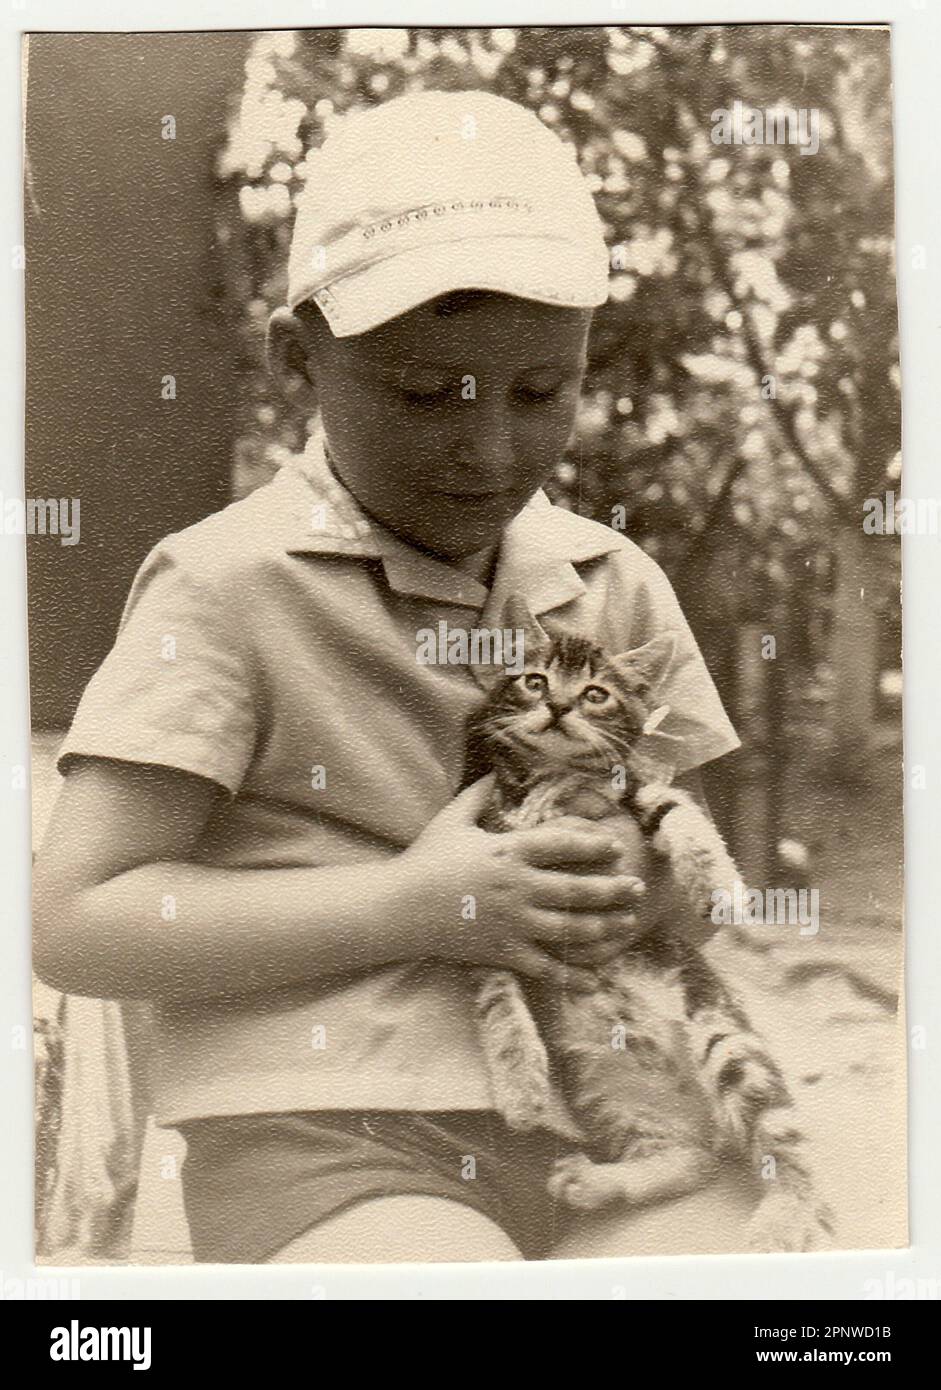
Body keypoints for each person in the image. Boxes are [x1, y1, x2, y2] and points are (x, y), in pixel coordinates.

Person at [33, 90, 751, 1263]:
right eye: (424, 393)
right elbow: (73, 921)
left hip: (614, 1106)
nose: (489, 448)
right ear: (294, 358)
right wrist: (418, 904)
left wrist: (636, 876)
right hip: (331, 1134)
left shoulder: (608, 582)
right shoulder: (224, 586)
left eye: (541, 392)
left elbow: (703, 893)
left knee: (767, 1284)